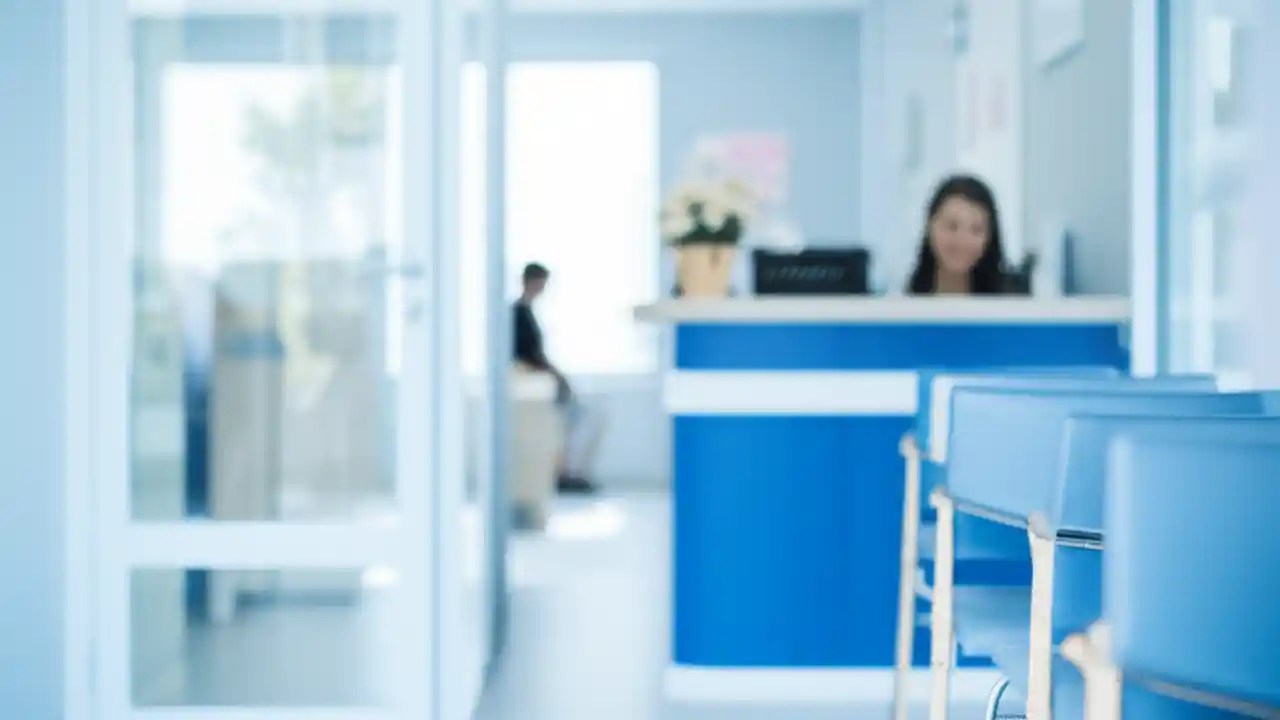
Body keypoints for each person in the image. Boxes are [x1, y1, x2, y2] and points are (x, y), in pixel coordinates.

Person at [513, 263, 605, 494]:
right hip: (533, 385)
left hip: (543, 382)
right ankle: (562, 474)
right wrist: (556, 376)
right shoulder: (518, 313)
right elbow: (529, 355)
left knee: (573, 422)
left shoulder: (527, 312)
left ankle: (566, 473)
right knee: (564, 425)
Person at [906, 174, 1012, 295]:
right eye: (951, 226)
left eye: (976, 230)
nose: (962, 241)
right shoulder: (899, 306)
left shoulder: (1012, 306)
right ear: (929, 226)